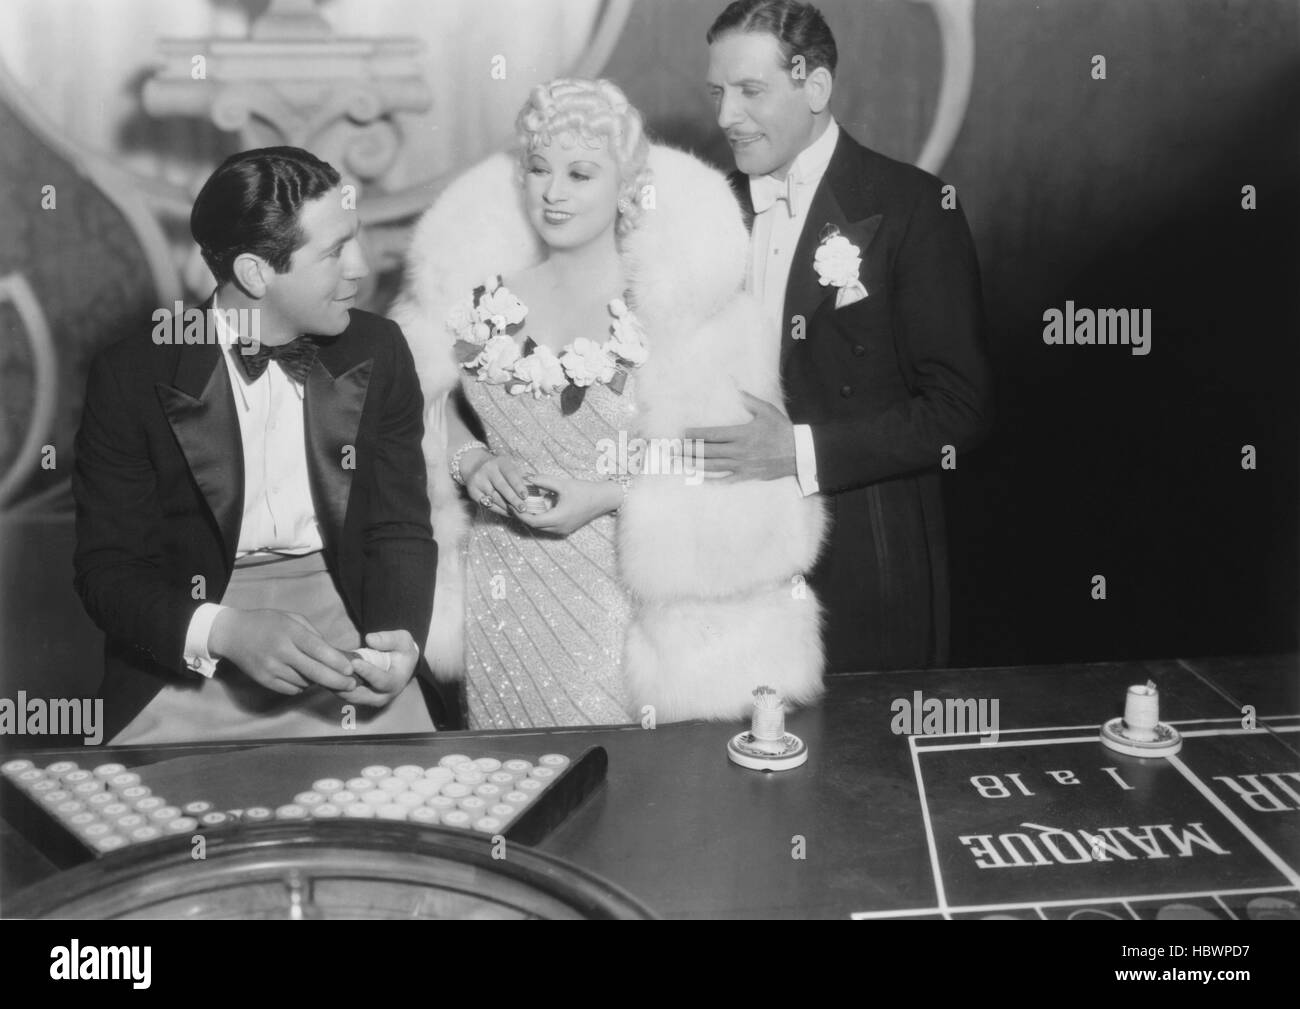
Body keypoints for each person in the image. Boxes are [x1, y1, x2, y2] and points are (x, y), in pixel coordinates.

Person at [394, 78, 826, 730]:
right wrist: (473, 461)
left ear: (628, 186)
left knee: (612, 793)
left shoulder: (684, 313)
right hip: (500, 586)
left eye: (580, 173)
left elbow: (726, 466)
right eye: (538, 168)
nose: (552, 191)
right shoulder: (477, 299)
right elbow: (422, 407)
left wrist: (606, 494)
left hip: (616, 590)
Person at [73, 146, 454, 744]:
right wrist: (225, 633)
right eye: (333, 253)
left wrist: (398, 639)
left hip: (346, 620)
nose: (359, 268)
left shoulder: (380, 351)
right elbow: (110, 573)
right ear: (255, 273)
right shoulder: (129, 375)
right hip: (191, 647)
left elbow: (398, 527)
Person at [696, 0, 995, 673]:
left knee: (862, 773)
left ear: (816, 86)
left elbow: (961, 411)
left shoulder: (914, 206)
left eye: (750, 91)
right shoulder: (711, 210)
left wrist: (797, 450)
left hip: (863, 569)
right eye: (718, 93)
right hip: (725, 571)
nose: (725, 118)